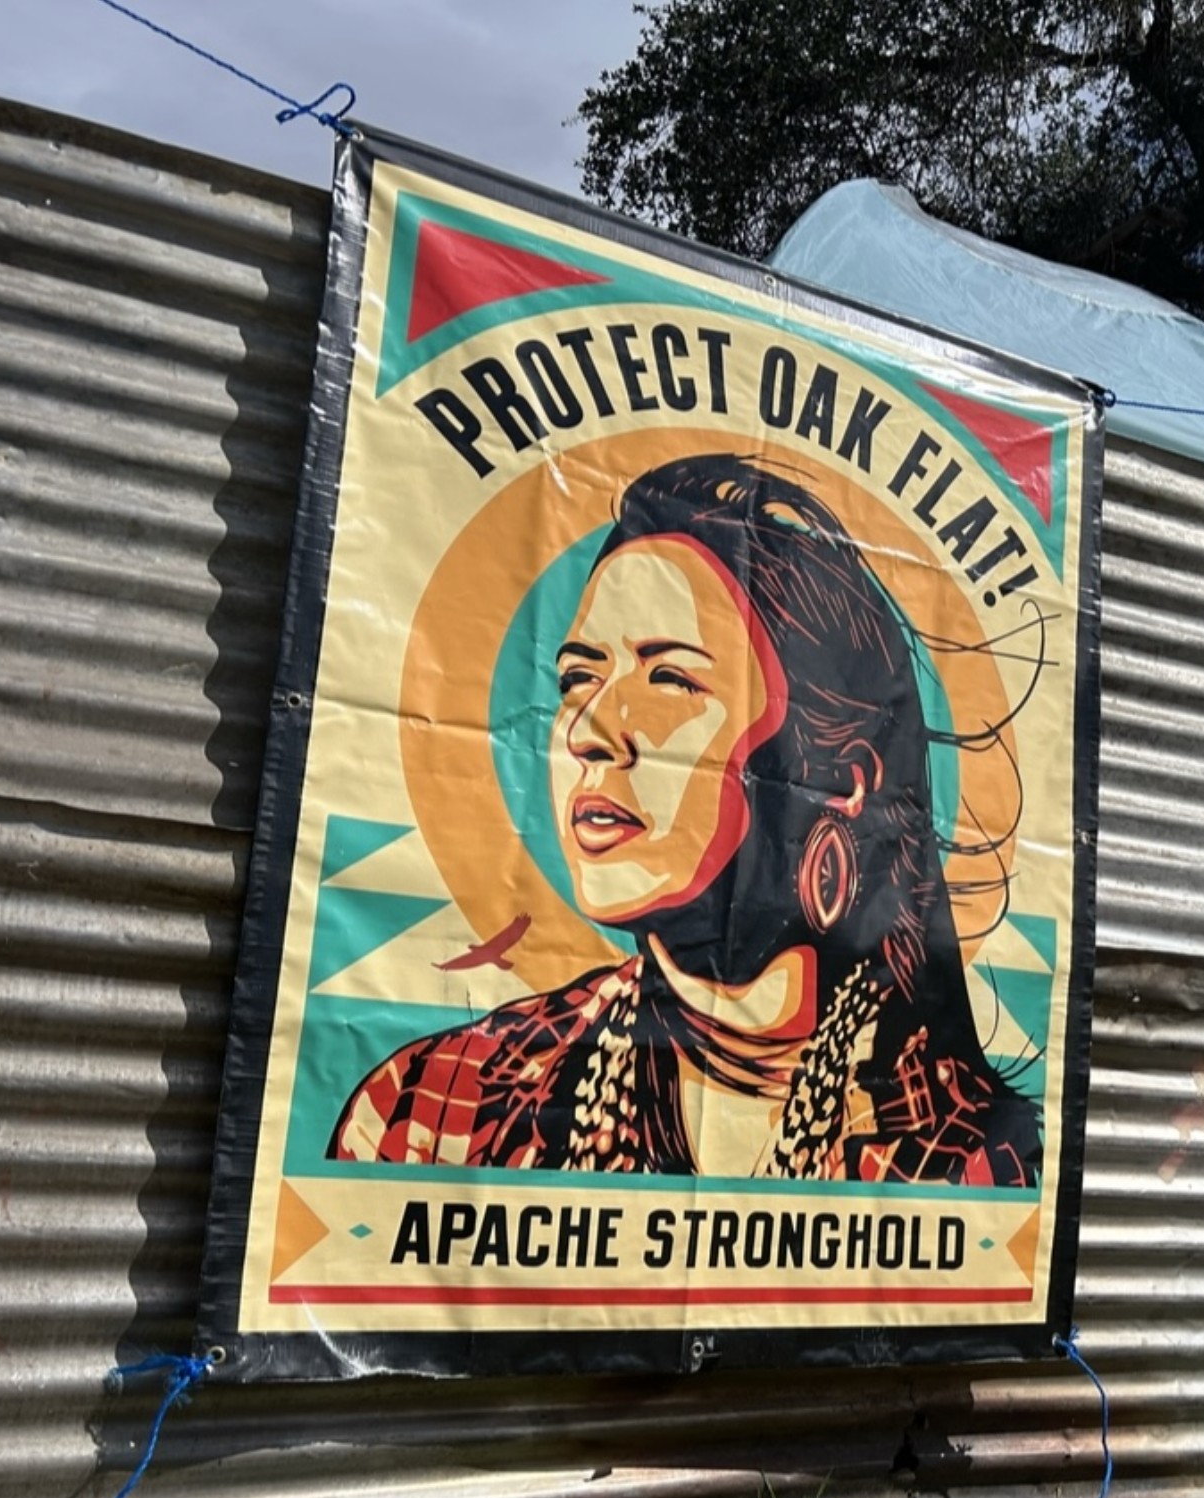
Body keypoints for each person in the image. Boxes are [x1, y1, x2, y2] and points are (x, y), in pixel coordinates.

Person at [328, 453, 1039, 1185]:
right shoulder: (435, 1107)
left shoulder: (969, 1158)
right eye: (578, 677)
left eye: (669, 679)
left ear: (838, 780)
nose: (588, 731)